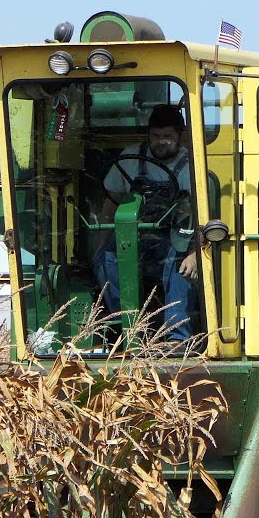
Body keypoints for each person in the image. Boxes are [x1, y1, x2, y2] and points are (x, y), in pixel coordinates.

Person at [92, 105, 198, 342]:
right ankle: (131, 329)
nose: (161, 142)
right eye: (156, 136)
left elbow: (203, 217)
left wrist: (195, 254)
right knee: (104, 261)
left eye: (168, 137)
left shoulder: (192, 166)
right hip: (134, 236)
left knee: (180, 265)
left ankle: (176, 337)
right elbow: (111, 204)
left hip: (175, 237)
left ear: (181, 137)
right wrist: (101, 244)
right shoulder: (130, 158)